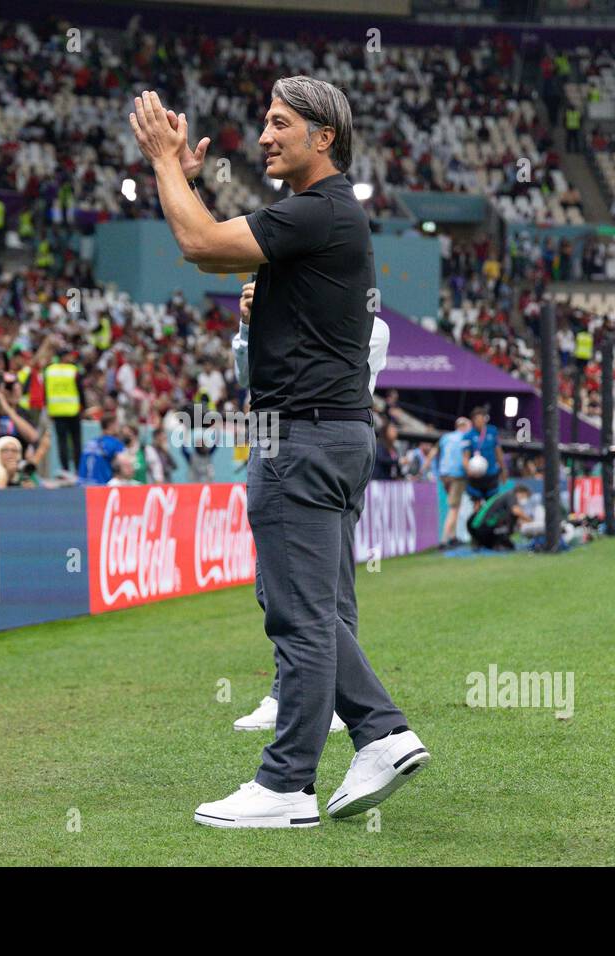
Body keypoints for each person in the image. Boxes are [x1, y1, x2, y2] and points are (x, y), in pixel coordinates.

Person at [130, 77, 427, 829]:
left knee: (296, 615)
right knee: (312, 609)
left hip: (302, 437)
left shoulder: (319, 211)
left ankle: (287, 784)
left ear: (323, 137)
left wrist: (166, 163)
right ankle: (384, 735)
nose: (263, 135)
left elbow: (201, 245)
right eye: (264, 121)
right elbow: (227, 258)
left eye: (279, 122)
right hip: (323, 432)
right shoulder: (325, 217)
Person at [231, 274, 389, 736]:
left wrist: (279, 317)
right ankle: (289, 690)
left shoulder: (366, 324)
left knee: (328, 584)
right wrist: (249, 327)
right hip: (274, 441)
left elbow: (324, 366)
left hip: (321, 445)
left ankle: (344, 701)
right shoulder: (284, 316)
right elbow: (247, 376)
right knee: (274, 586)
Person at [434, 415, 472, 548]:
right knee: (454, 508)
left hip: (444, 475)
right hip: (457, 475)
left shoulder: (446, 437)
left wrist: (430, 470)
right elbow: (465, 458)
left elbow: (435, 453)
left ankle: (453, 537)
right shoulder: (465, 438)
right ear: (465, 426)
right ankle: (444, 540)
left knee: (455, 505)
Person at [462, 404, 507, 502]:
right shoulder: (468, 436)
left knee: (492, 503)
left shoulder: (492, 431)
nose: (478, 421)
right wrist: (468, 470)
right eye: (476, 419)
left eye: (480, 418)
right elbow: (465, 456)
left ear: (485, 419)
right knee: (476, 505)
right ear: (473, 420)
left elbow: (498, 452)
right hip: (476, 476)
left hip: (491, 474)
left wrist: (503, 469)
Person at [467, 484, 532, 550]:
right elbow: (516, 511)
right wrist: (531, 521)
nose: (524, 499)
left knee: (509, 544)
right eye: (525, 496)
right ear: (520, 492)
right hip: (483, 528)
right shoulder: (511, 495)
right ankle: (497, 542)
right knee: (509, 545)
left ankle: (483, 542)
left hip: (475, 527)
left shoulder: (503, 496)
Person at [77, 412, 125, 485]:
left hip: (83, 486)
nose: (119, 428)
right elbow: (124, 465)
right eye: (117, 424)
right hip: (101, 487)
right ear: (111, 425)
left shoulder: (89, 443)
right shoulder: (115, 444)